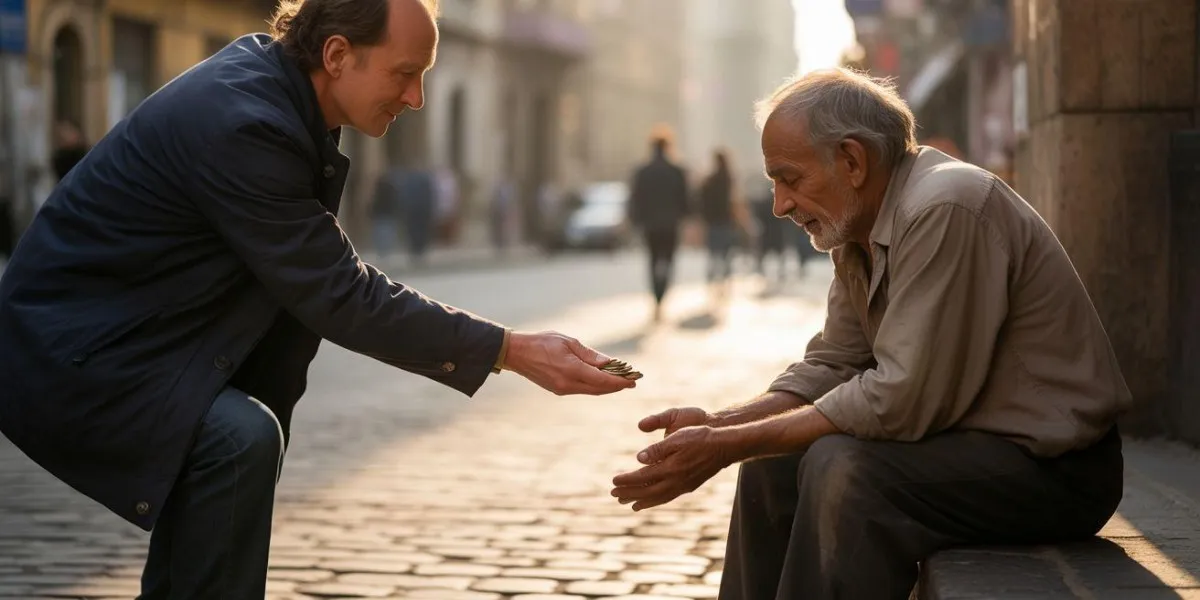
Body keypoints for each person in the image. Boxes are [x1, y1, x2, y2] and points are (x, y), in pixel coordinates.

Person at [0, 1, 634, 598]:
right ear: (336, 55)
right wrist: (511, 350)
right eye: (405, 73)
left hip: (132, 343)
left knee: (232, 449)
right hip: (71, 350)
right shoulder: (246, 121)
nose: (415, 97)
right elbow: (339, 291)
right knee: (238, 439)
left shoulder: (278, 97)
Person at [611, 68, 1132, 599]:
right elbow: (834, 364)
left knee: (843, 469)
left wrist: (726, 444)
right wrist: (721, 426)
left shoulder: (944, 206)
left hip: (1056, 470)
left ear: (852, 162)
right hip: (964, 447)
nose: (779, 205)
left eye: (790, 179)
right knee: (771, 463)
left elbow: (901, 400)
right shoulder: (857, 227)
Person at [628, 128, 689, 321]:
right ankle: (661, 296)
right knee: (668, 261)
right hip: (670, 224)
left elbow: (635, 199)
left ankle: (656, 298)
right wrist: (685, 217)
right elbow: (685, 199)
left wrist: (635, 220)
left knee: (653, 260)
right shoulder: (676, 170)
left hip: (650, 225)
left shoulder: (643, 171)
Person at [697, 148, 737, 299]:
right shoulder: (728, 178)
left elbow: (701, 200)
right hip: (726, 220)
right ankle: (726, 283)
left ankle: (711, 283)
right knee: (727, 255)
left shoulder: (710, 180)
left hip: (713, 221)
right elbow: (734, 200)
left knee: (713, 254)